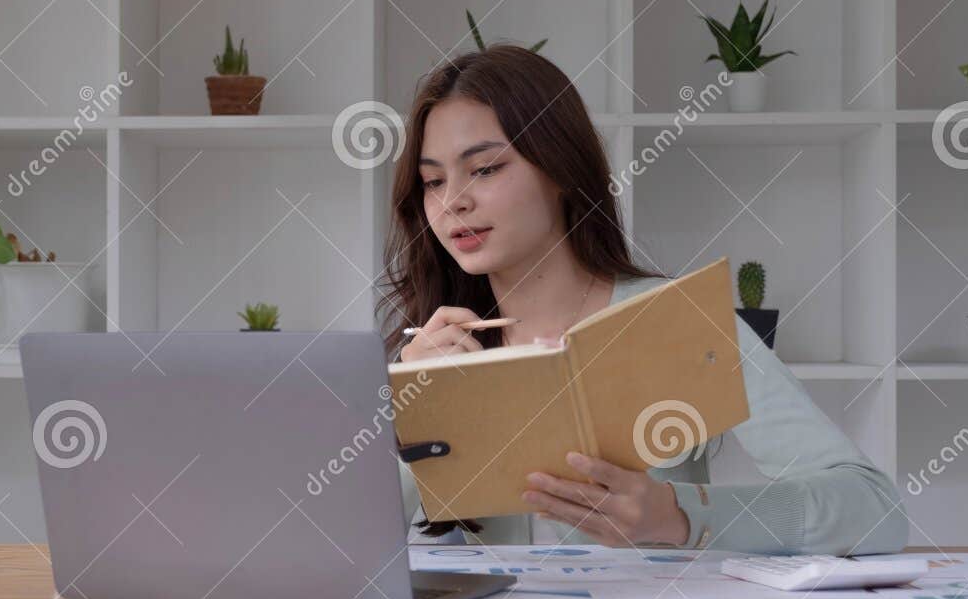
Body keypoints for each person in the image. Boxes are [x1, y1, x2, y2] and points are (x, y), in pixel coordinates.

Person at [377, 44, 906, 555]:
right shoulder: (439, 351)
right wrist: (408, 413)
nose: (452, 203)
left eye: (486, 168)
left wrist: (677, 515)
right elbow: (343, 546)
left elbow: (873, 509)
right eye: (432, 180)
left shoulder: (680, 321)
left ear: (560, 168)